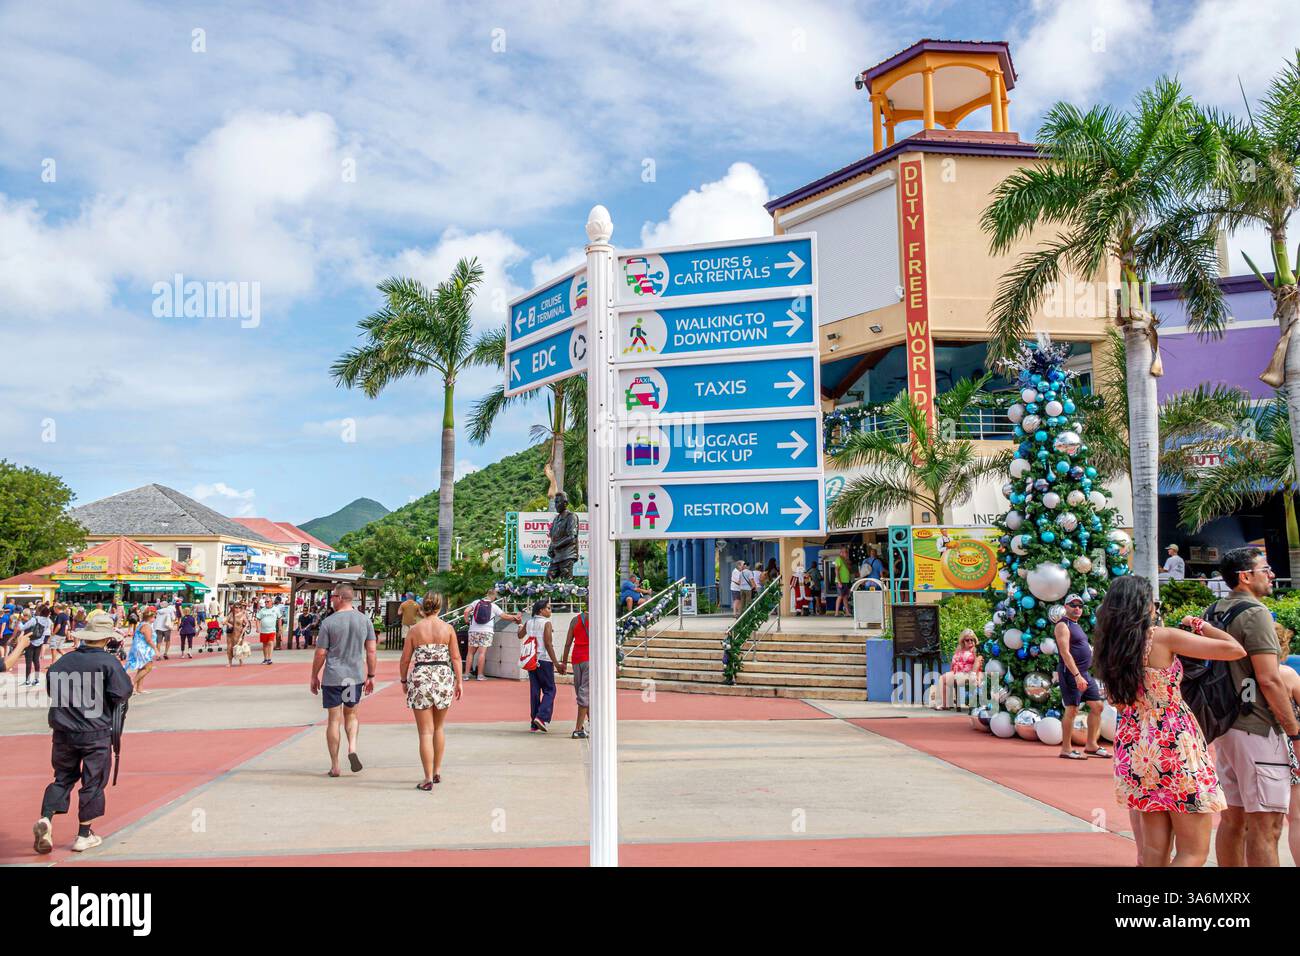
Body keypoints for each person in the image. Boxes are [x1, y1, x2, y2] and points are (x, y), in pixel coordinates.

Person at [1093, 575, 1246, 867]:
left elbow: (1115, 701)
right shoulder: (1162, 637)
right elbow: (1234, 649)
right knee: (1193, 852)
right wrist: (1202, 625)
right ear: (1143, 605)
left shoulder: (1110, 647)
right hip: (1173, 740)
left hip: (1135, 743)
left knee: (1153, 854)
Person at [1208, 547, 1300, 868]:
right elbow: (1269, 679)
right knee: (1267, 826)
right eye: (1266, 569)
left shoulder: (1214, 610)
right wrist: (1294, 731)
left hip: (1225, 726)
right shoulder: (1256, 613)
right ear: (1245, 577)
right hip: (1258, 728)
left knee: (1233, 820)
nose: (1272, 574)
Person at [32, 615, 133, 854]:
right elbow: (122, 693)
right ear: (107, 638)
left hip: (63, 731)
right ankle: (83, 834)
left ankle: (46, 818)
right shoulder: (108, 663)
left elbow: (52, 690)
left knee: (63, 777)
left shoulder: (62, 662)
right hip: (95, 732)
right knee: (93, 781)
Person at [310, 584, 377, 777]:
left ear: (340, 597)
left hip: (333, 677)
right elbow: (371, 651)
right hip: (353, 677)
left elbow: (321, 653)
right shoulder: (364, 620)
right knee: (352, 715)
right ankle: (352, 748)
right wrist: (371, 676)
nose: (331, 600)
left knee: (333, 720)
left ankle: (335, 765)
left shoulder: (328, 623)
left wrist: (314, 675)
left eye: (332, 597)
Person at [399, 592, 462, 789]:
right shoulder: (448, 628)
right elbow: (456, 658)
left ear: (422, 607)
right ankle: (437, 771)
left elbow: (405, 659)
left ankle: (427, 778)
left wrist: (403, 679)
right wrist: (459, 681)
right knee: (439, 727)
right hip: (443, 675)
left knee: (425, 732)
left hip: (422, 677)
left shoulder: (415, 630)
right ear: (439, 606)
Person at [1055, 594, 1110, 760]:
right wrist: (1077, 675)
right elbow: (1065, 653)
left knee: (1098, 706)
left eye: (1080, 605)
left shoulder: (1076, 625)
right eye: (1073, 605)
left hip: (1084, 673)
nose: (1077, 608)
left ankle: (1091, 745)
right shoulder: (1063, 625)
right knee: (1072, 709)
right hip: (1071, 673)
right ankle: (1066, 749)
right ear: (1066, 607)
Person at [463, 587, 520, 681]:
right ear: (493, 596)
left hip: (473, 630)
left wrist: (467, 622)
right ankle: (480, 675)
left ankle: (466, 675)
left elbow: (466, 611)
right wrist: (515, 617)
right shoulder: (494, 606)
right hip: (486, 631)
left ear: (486, 594)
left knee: (470, 653)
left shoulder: (476, 602)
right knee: (482, 653)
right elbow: (504, 616)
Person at [522, 597, 558, 733]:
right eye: (548, 608)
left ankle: (534, 723)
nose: (550, 611)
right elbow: (548, 644)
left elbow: (520, 635)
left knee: (535, 691)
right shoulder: (546, 623)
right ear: (541, 610)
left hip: (531, 660)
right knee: (550, 690)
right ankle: (541, 717)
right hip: (544, 659)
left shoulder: (529, 622)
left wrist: (520, 624)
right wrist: (556, 663)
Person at [559, 609, 589, 739]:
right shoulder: (598, 618)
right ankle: (578, 729)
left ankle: (590, 724)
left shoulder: (575, 620)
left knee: (581, 691)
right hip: (590, 658)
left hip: (576, 659)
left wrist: (564, 663)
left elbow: (567, 644)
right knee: (585, 692)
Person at [934, 629, 982, 710]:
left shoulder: (976, 650)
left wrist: (976, 675)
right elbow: (954, 662)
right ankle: (945, 704)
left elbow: (978, 664)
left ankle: (955, 701)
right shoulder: (959, 649)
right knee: (943, 678)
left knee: (958, 678)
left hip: (969, 673)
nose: (970, 641)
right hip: (957, 672)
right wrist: (952, 672)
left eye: (972, 639)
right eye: (967, 640)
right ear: (963, 641)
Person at [126, 607, 159, 693]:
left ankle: (139, 688)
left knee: (142, 668)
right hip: (142, 649)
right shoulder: (146, 626)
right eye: (154, 617)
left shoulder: (142, 624)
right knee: (148, 667)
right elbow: (148, 639)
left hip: (141, 648)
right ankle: (132, 684)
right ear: (150, 617)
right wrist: (156, 649)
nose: (155, 619)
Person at [19, 606, 51, 686]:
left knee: (28, 661)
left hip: (30, 642)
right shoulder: (48, 621)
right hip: (40, 642)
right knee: (36, 661)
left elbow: (22, 628)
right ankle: (37, 680)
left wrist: (19, 621)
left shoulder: (35, 619)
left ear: (40, 611)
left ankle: (27, 681)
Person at [255, 600, 279, 665]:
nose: (266, 603)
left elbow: (279, 619)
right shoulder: (262, 610)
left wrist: (280, 629)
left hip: (272, 630)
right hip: (263, 630)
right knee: (265, 645)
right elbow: (257, 619)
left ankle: (269, 659)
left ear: (271, 602)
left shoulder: (276, 609)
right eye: (265, 602)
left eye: (268, 601)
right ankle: (265, 659)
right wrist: (257, 628)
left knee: (270, 643)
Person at [225, 602, 248, 667]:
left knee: (239, 647)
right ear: (234, 608)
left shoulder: (242, 615)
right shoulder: (231, 614)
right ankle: (230, 662)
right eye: (236, 607)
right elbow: (224, 621)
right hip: (230, 634)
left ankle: (240, 661)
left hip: (239, 633)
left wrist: (245, 628)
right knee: (229, 648)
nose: (237, 609)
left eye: (239, 608)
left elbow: (247, 623)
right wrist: (228, 624)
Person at [833, 548, 853, 616]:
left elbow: (849, 569)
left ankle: (847, 612)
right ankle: (836, 612)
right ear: (841, 553)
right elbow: (836, 570)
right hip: (841, 581)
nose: (846, 553)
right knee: (840, 596)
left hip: (846, 581)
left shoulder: (844, 560)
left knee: (845, 597)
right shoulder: (838, 559)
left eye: (847, 552)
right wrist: (839, 581)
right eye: (845, 552)